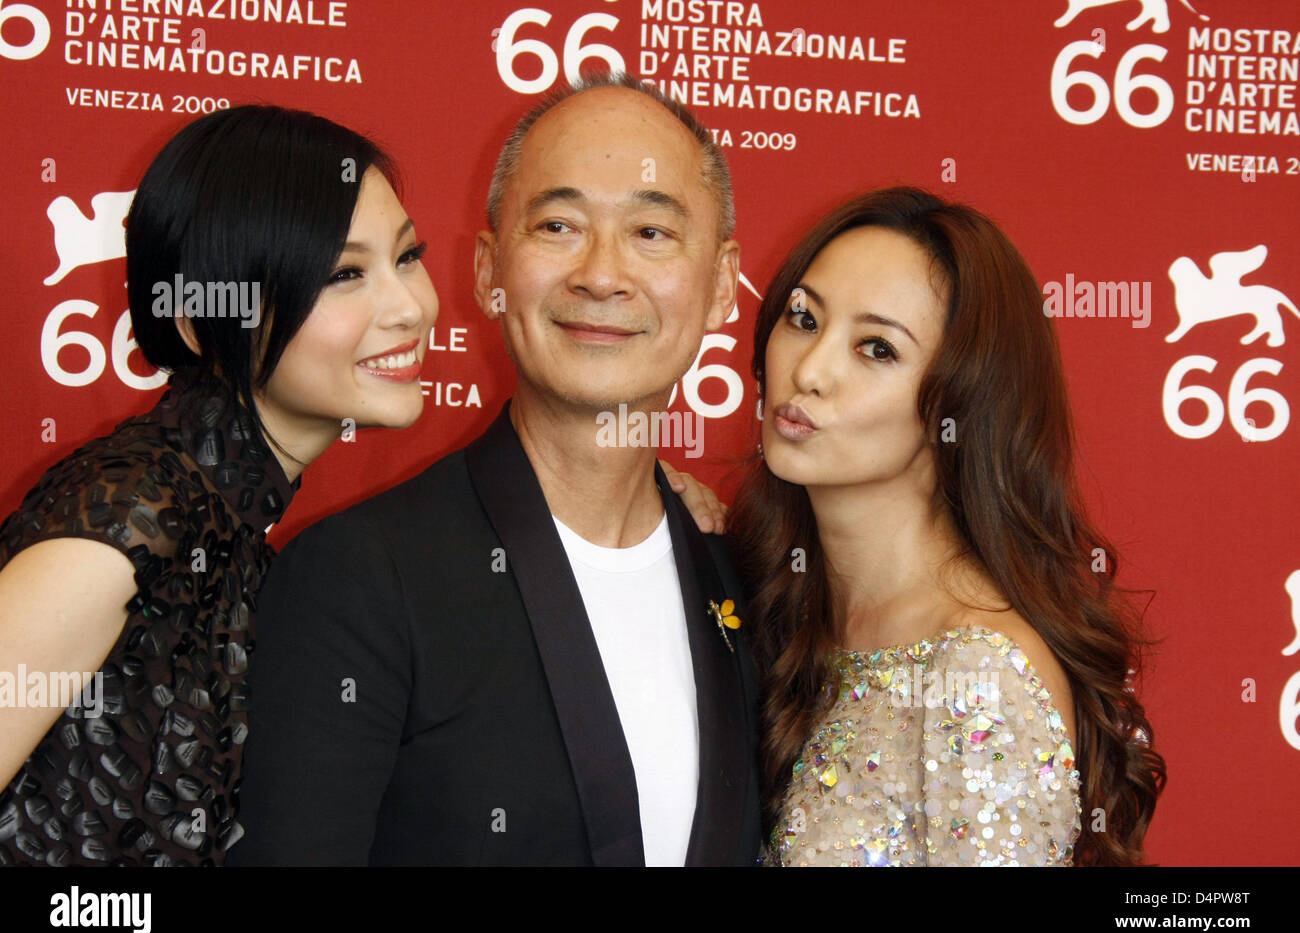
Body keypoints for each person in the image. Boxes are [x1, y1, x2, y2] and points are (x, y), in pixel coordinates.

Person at [230, 72, 763, 866]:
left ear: (721, 286)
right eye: (558, 226)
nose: (601, 274)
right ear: (488, 273)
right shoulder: (359, 578)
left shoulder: (746, 575)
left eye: (651, 232)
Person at [0, 104, 440, 865]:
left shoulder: (229, 533)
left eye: (407, 256)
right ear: (202, 320)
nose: (411, 308)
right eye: (344, 274)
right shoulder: (130, 519)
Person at [727, 187, 1167, 866]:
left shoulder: (978, 674)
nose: (808, 371)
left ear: (960, 403)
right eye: (803, 318)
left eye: (876, 348)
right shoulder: (778, 599)